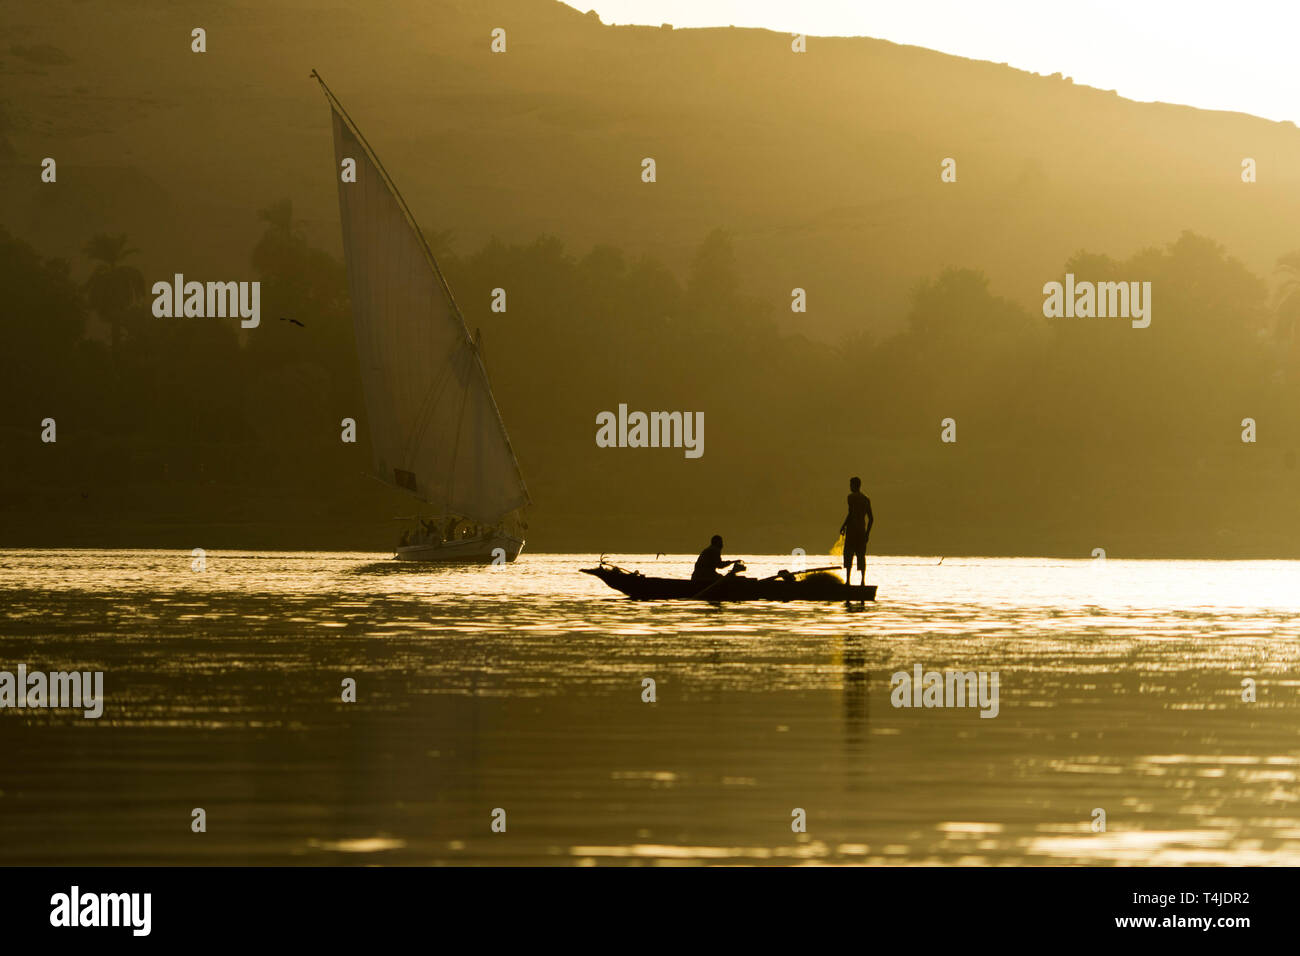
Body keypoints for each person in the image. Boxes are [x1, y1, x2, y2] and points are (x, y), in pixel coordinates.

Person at [839, 476, 874, 587]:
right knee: (861, 556)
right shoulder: (866, 499)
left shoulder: (851, 497)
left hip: (852, 532)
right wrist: (867, 533)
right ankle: (862, 582)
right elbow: (871, 518)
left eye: (851, 485)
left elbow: (851, 514)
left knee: (848, 555)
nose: (850, 487)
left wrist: (844, 526)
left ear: (854, 485)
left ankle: (848, 582)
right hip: (861, 532)